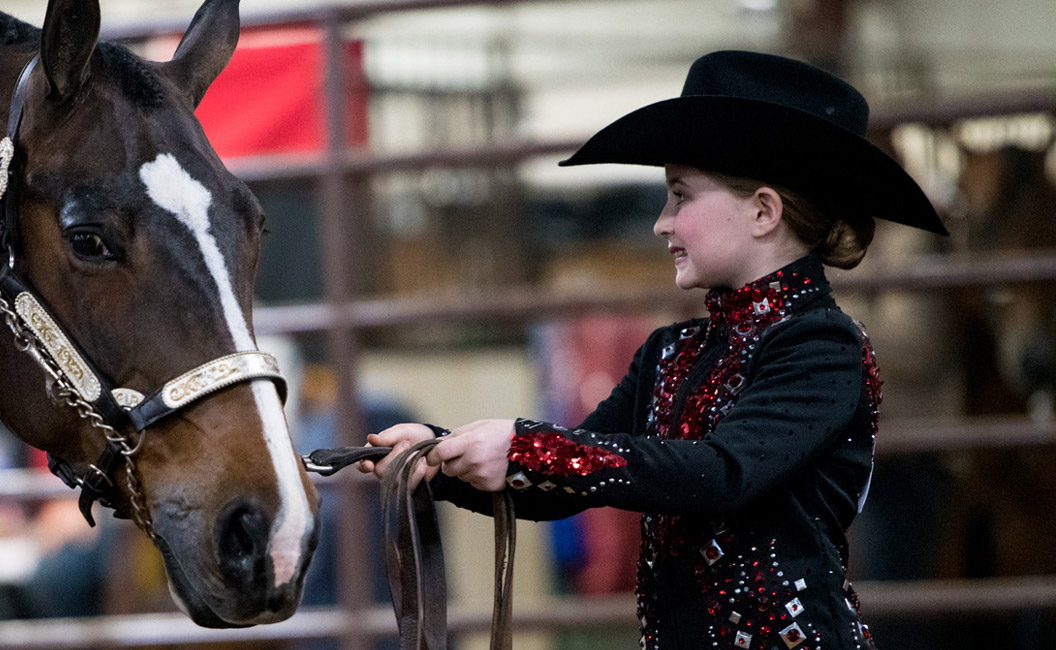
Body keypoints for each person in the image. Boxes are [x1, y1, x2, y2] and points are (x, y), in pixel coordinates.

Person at [361, 50, 948, 650]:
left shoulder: (822, 347)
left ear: (764, 211)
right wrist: (437, 455)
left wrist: (525, 447)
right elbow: (569, 482)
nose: (661, 223)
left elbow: (722, 474)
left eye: (680, 196)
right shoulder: (672, 352)